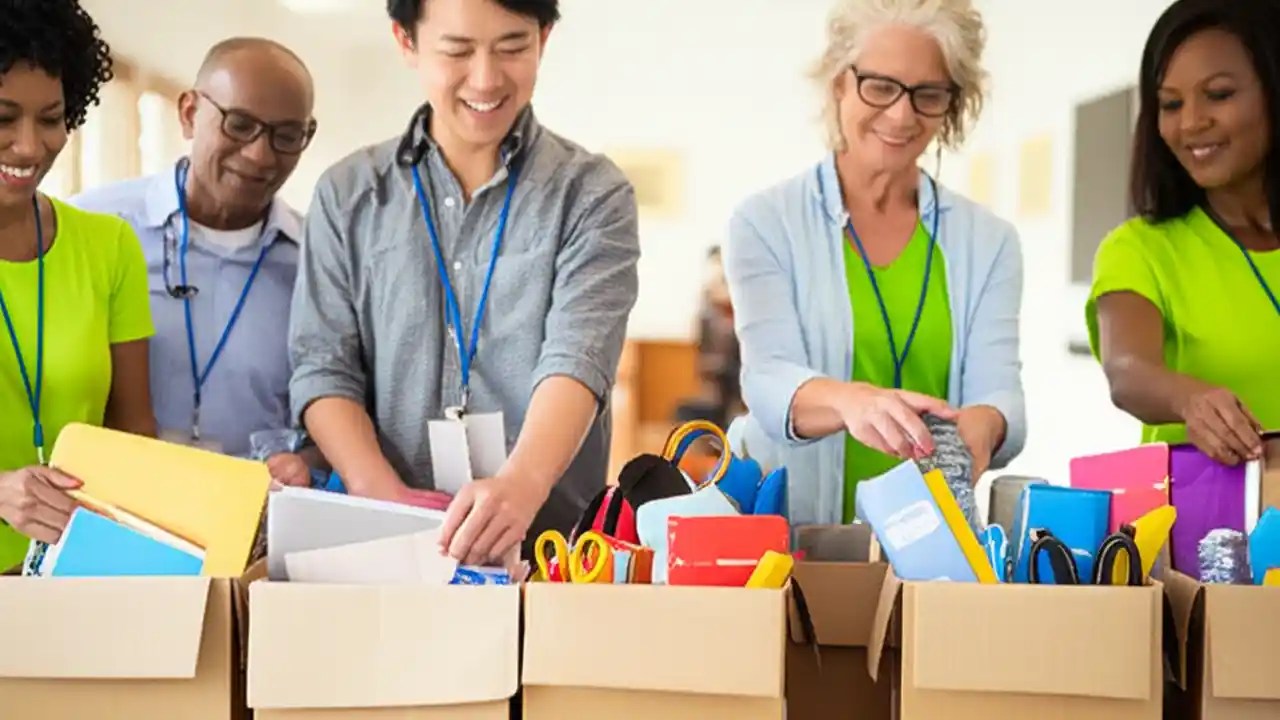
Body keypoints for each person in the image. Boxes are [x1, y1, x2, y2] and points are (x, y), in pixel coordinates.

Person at [289, 0, 639, 564]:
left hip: (549, 551)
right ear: (406, 41)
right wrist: (382, 498)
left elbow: (579, 356)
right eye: (457, 50)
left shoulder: (591, 193)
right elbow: (323, 366)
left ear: (544, 38)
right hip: (382, 552)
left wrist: (521, 486)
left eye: (513, 47)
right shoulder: (347, 194)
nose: (486, 79)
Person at [723, 0, 1026, 526]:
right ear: (839, 84)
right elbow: (769, 380)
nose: (901, 115)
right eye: (880, 87)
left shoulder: (990, 242)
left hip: (931, 538)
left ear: (952, 104)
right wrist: (851, 403)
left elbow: (1000, 393)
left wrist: (984, 425)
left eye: (927, 94)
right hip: (789, 536)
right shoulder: (766, 222)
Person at [71, 38, 322, 486]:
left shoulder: (319, 263)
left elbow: (342, 405)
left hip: (252, 522)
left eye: (286, 136)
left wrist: (307, 462)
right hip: (112, 506)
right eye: (239, 125)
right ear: (189, 113)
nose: (259, 155)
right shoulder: (93, 227)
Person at [1087, 0, 1280, 466]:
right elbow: (1127, 370)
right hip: (1202, 528)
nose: (1191, 122)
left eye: (1218, 94)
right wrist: (1187, 398)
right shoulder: (1140, 248)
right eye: (1171, 103)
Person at [0, 0, 156, 571]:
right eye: (4, 117)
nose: (29, 146)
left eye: (50, 118)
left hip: (80, 580)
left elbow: (136, 433)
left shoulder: (107, 247)